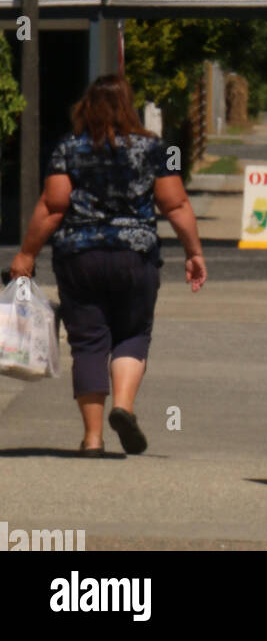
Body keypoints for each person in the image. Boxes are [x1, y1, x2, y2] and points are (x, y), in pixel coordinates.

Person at [9, 74, 207, 457]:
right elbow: (176, 204)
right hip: (135, 255)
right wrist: (193, 252)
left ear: (86, 106)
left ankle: (93, 439)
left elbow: (53, 206)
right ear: (129, 106)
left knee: (87, 342)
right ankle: (124, 407)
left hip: (78, 256)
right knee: (132, 333)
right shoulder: (158, 149)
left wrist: (27, 254)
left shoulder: (67, 147)